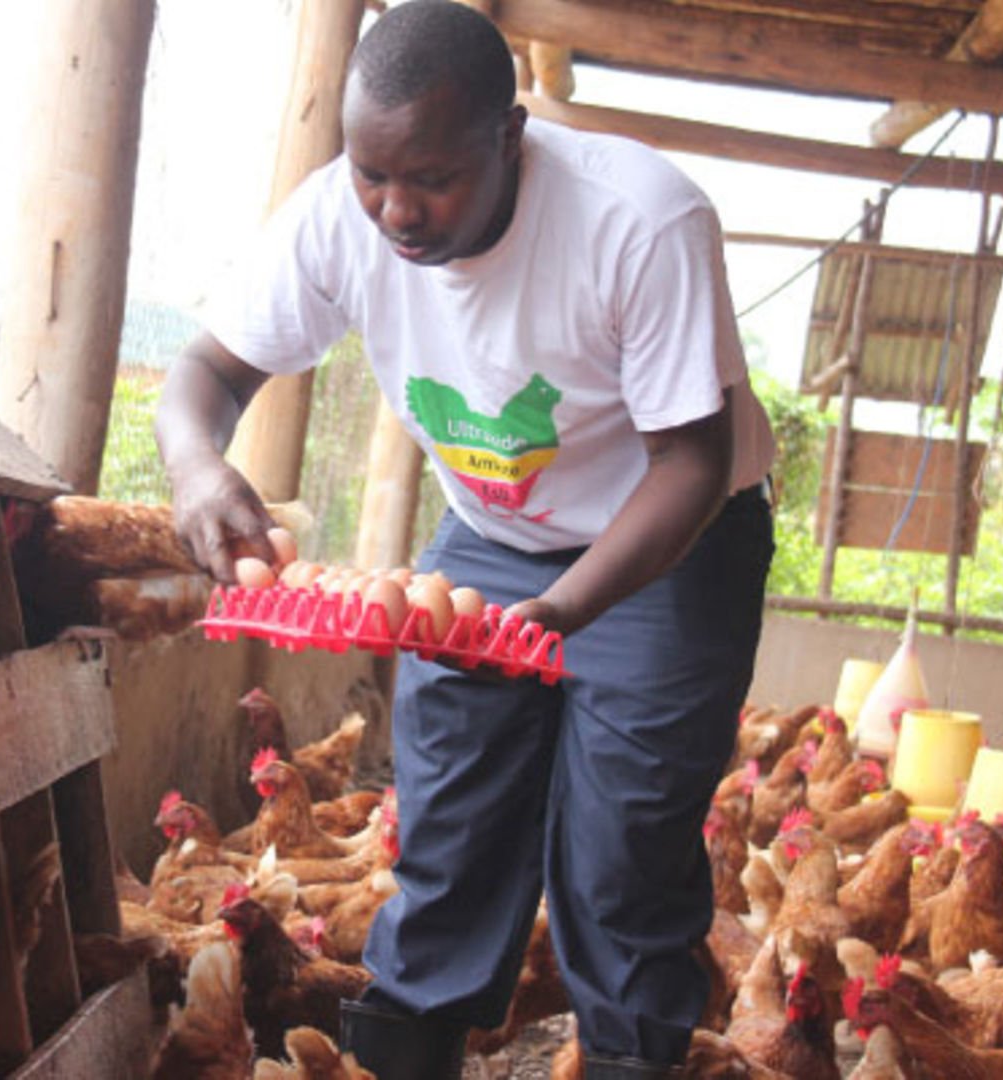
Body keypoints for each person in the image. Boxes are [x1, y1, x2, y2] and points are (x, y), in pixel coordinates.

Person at [154, 2, 775, 1076]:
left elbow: (692, 465)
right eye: (370, 173)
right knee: (447, 816)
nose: (396, 210)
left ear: (510, 134)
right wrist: (200, 467)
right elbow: (201, 376)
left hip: (667, 544)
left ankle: (631, 1055)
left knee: (620, 849)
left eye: (432, 177)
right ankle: (405, 1047)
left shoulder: (640, 222)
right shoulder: (337, 215)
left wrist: (560, 619)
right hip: (492, 532)